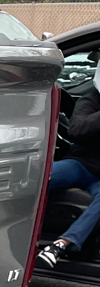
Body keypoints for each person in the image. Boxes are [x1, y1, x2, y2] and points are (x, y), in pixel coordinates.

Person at [39, 89, 100, 268]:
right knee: (39, 180)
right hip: (81, 164)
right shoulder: (92, 98)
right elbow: (77, 129)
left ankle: (61, 245)